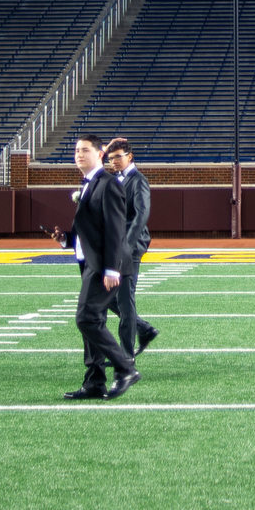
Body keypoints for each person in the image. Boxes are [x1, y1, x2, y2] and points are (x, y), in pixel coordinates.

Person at [42, 137, 139, 400]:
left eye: (85, 150)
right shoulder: (89, 183)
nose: (79, 155)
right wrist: (67, 240)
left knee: (86, 319)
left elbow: (116, 230)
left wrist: (112, 269)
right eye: (75, 150)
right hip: (91, 263)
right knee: (93, 321)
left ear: (100, 154)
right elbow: (91, 228)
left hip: (105, 266)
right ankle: (95, 382)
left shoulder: (107, 184)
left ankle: (125, 368)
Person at [104, 139, 159, 357]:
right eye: (110, 158)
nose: (114, 161)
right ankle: (144, 329)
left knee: (125, 302)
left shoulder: (138, 180)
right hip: (115, 245)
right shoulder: (114, 179)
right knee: (109, 298)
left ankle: (126, 357)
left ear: (130, 156)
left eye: (118, 156)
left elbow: (141, 215)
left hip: (130, 246)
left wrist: (126, 246)